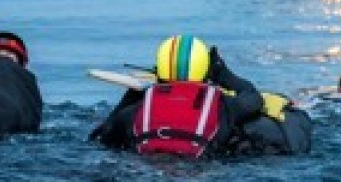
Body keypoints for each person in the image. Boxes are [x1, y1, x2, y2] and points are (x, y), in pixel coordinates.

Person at [89, 35, 265, 157]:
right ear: (206, 71)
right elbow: (253, 97)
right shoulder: (222, 105)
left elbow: (101, 136)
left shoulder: (136, 110)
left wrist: (133, 94)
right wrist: (222, 72)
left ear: (159, 70)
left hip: (144, 165)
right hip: (199, 167)